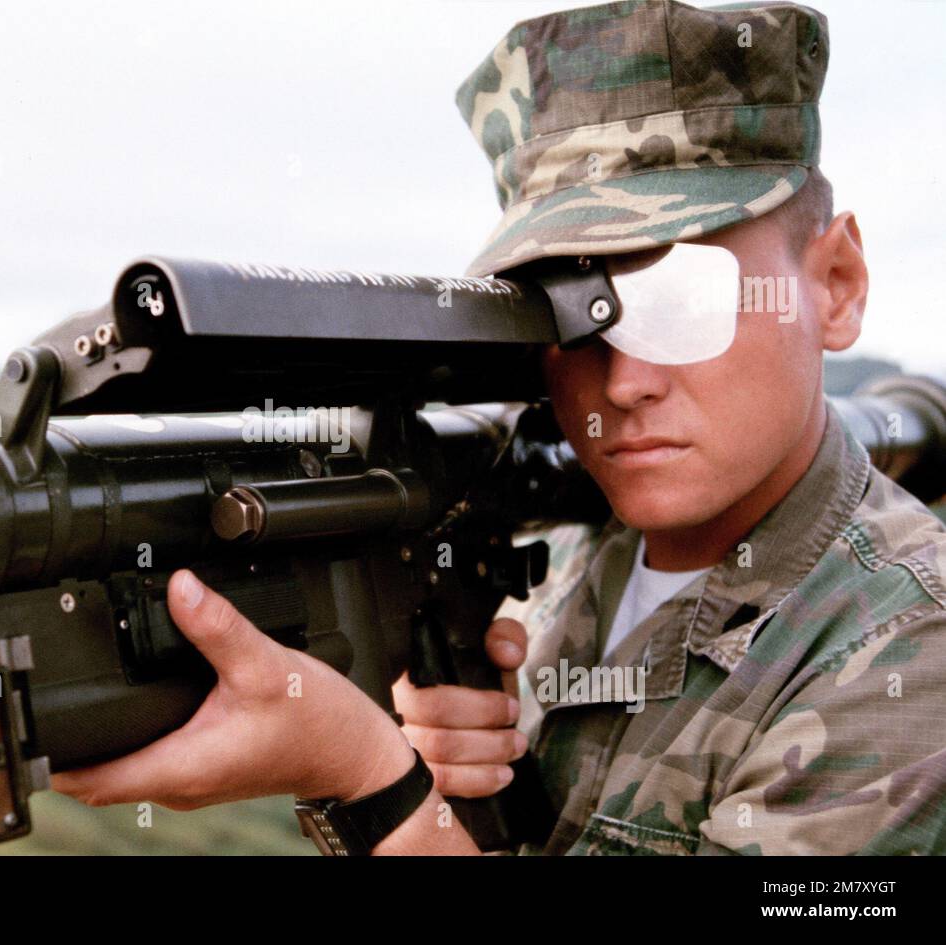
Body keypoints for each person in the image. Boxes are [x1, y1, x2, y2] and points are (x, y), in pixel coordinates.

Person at [53, 0, 946, 855]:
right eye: (573, 318)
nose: (625, 382)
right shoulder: (567, 544)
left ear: (834, 283)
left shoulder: (910, 655)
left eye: (683, 302)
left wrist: (366, 780)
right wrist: (436, 782)